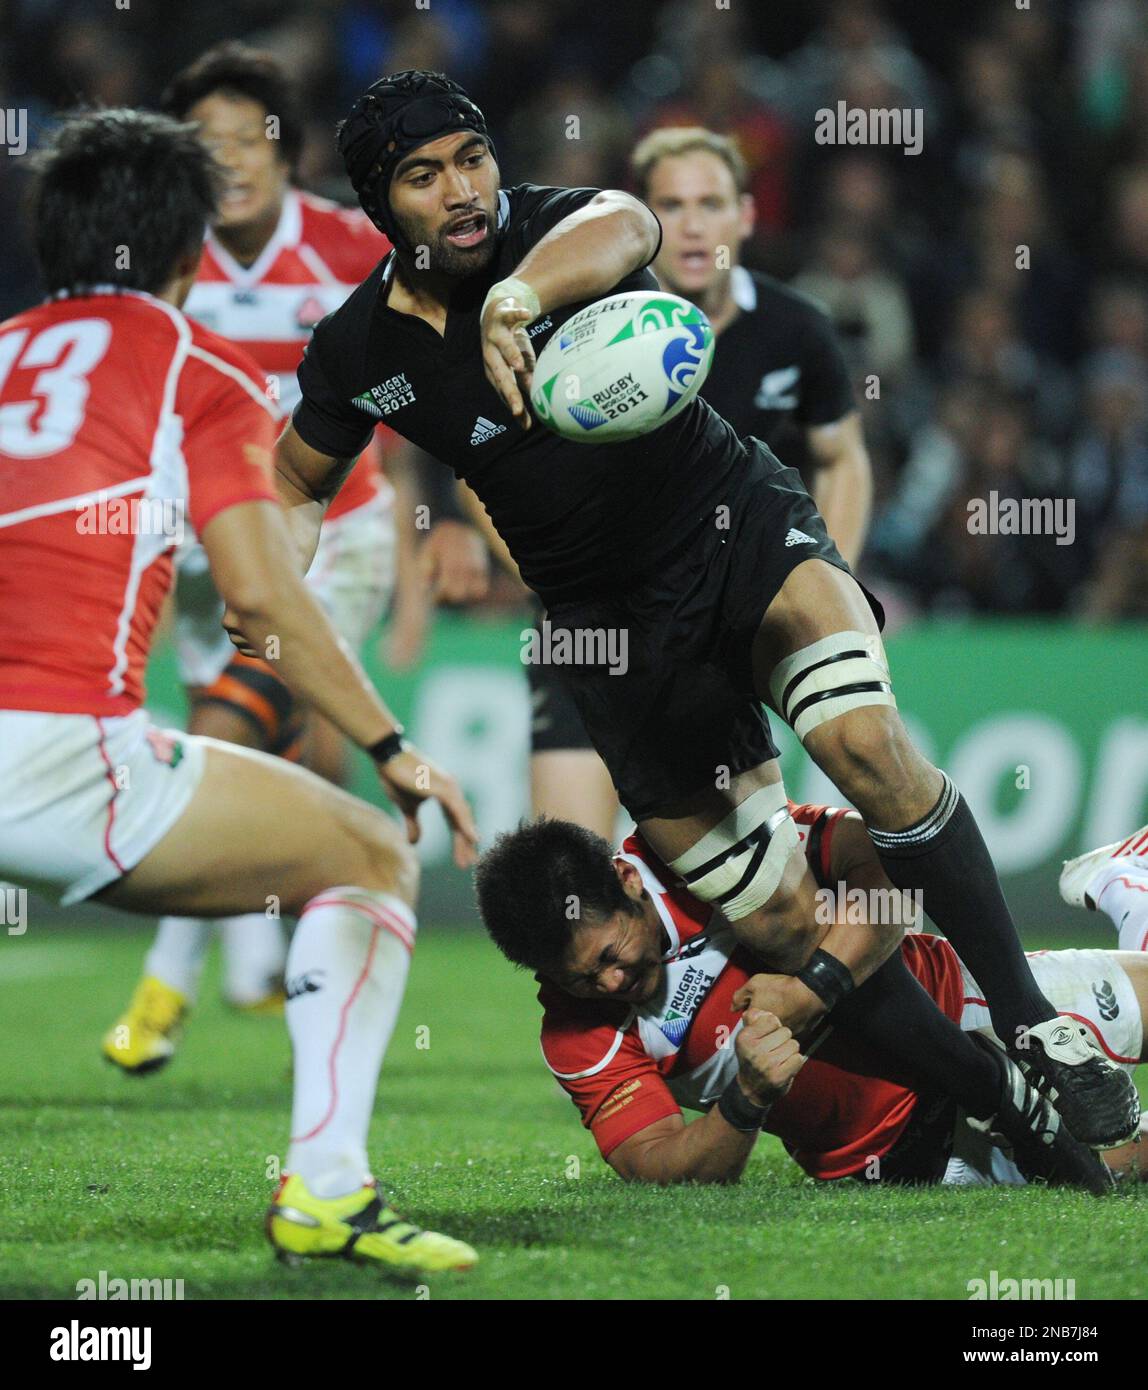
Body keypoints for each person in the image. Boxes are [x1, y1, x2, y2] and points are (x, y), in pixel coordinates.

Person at [274, 68, 1139, 1150]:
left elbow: (623, 223)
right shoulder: (358, 350)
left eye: (472, 158)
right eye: (422, 174)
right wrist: (267, 570)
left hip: (730, 525)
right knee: (775, 922)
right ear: (377, 202)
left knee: (865, 743)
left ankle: (1030, 1022)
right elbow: (295, 484)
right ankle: (1004, 1104)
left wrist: (517, 296)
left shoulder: (544, 234)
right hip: (613, 629)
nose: (461, 190)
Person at [0, 108, 478, 1274]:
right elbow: (261, 600)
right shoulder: (192, 369)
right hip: (62, 753)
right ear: (189, 252)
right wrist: (388, 741)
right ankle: (324, 1190)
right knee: (370, 853)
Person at [103, 44, 492, 1073]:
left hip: (335, 524)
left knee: (236, 713)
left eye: (245, 136)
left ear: (284, 147)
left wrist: (435, 524)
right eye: (203, 143)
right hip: (196, 540)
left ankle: (167, 979)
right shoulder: (160, 260)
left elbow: (415, 375)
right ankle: (271, 955)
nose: (225, 159)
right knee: (262, 755)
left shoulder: (340, 242)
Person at [475, 810, 1148, 1191]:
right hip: (894, 1153)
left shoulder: (698, 848)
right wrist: (744, 1101)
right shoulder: (576, 1032)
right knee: (1126, 1169)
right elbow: (657, 1167)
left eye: (610, 957)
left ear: (625, 880)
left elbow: (890, 869)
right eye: (581, 981)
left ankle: (1125, 887)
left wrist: (814, 986)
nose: (611, 986)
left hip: (959, 998)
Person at [525, 126, 873, 841]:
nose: (691, 225)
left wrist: (825, 571)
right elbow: (496, 467)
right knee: (577, 885)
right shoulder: (576, 333)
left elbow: (842, 455)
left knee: (750, 893)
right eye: (669, 206)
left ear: (745, 216)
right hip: (595, 624)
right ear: (637, 223)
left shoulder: (795, 329)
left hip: (726, 623)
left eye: (710, 203)